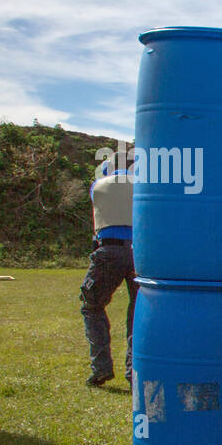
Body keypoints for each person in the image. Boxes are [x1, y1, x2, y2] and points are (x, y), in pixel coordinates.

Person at [80, 157, 138, 388]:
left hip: (109, 250)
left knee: (92, 306)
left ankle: (101, 368)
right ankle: (134, 371)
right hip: (139, 252)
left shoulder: (98, 186)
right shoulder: (141, 185)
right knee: (137, 311)